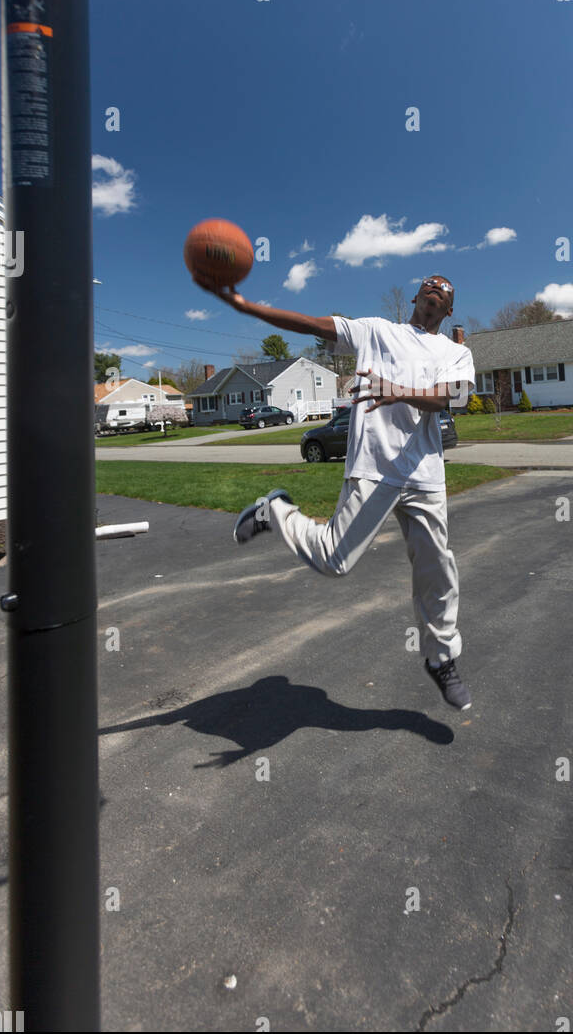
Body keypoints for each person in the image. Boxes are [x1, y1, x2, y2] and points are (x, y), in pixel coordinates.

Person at [192, 271, 477, 711]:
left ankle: (441, 658)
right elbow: (310, 324)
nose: (436, 290)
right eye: (429, 286)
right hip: (374, 466)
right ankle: (277, 512)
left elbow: (451, 398)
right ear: (416, 295)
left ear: (450, 309)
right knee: (334, 561)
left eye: (444, 289)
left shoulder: (456, 351)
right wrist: (248, 307)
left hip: (424, 474)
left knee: (438, 570)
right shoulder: (376, 332)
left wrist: (395, 390)